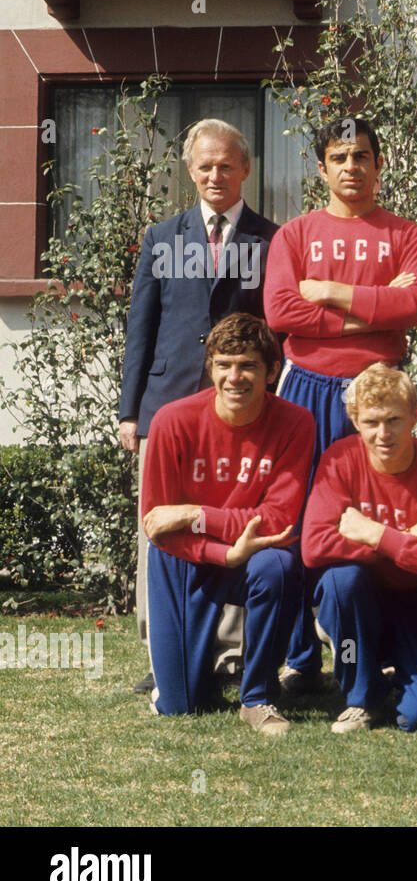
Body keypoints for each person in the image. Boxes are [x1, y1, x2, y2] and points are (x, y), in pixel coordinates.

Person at [263, 116, 417, 694]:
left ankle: (377, 651)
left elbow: (414, 305)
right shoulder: (295, 235)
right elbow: (283, 313)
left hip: (381, 389)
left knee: (383, 510)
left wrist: (332, 292)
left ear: (378, 164)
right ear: (322, 168)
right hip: (308, 386)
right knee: (296, 518)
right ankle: (300, 657)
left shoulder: (406, 234)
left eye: (362, 156)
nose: (351, 167)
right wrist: (370, 312)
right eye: (339, 158)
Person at [119, 118, 279, 696]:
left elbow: (274, 330)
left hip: (241, 409)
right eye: (205, 165)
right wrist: (129, 410)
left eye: (227, 164)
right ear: (190, 171)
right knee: (159, 524)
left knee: (232, 514)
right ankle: (160, 647)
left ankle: (229, 649)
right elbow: (142, 326)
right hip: (168, 405)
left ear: (246, 169)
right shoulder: (163, 237)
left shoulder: (270, 239)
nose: (216, 174)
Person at [141, 313, 313, 734]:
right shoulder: (172, 420)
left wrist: (196, 514)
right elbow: (157, 527)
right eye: (224, 364)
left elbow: (279, 520)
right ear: (210, 367)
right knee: (181, 706)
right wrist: (222, 550)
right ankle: (186, 676)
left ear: (273, 371)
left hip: (255, 554)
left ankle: (258, 695)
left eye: (248, 365)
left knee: (279, 565)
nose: (235, 377)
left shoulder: (296, 422)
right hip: (184, 558)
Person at [301, 364, 417, 733]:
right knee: (340, 582)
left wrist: (377, 534)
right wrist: (410, 534)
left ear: (416, 414)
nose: (383, 434)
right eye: (371, 422)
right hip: (364, 598)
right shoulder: (340, 458)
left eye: (394, 419)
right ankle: (361, 696)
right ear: (354, 419)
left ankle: (406, 673)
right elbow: (314, 547)